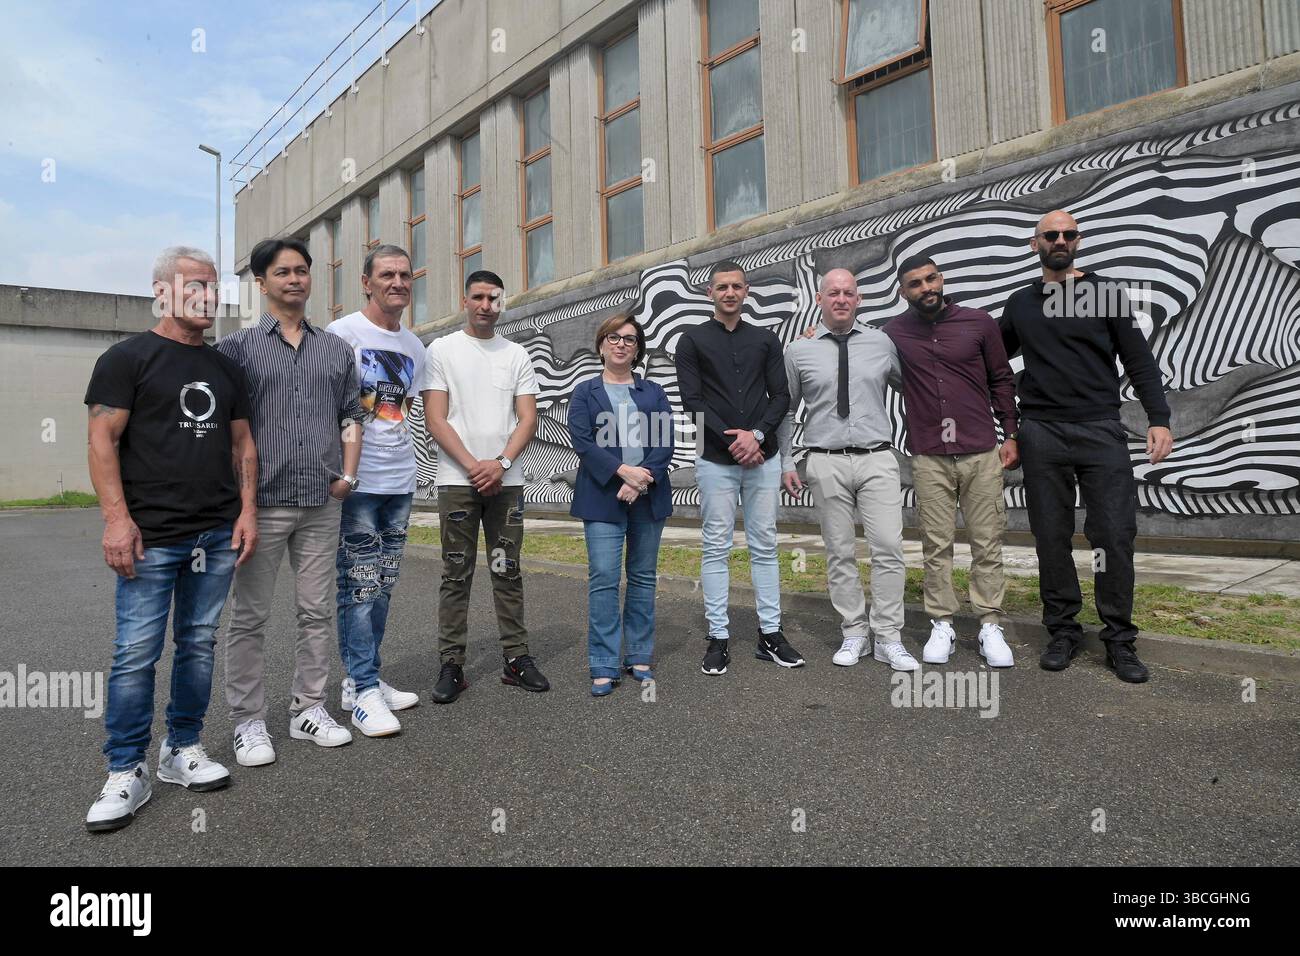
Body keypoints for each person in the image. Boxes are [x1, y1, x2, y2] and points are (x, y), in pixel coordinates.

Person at [84, 246, 259, 831]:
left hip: (214, 531)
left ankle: (182, 749)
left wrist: (248, 512)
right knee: (134, 654)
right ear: (162, 292)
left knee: (199, 644)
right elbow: (102, 441)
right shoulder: (125, 359)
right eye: (194, 287)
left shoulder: (226, 367)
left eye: (213, 287)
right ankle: (125, 769)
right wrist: (116, 520)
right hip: (149, 537)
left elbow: (242, 446)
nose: (208, 297)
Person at [999, 210, 1175, 683]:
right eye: (1050, 235)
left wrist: (1158, 418)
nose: (1060, 240)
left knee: (1114, 536)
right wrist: (1009, 429)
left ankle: (1118, 639)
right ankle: (1063, 630)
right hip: (1042, 434)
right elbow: (990, 360)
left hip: (1100, 429)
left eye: (1068, 234)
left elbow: (1139, 360)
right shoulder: (1020, 304)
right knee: (1050, 536)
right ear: (1034, 245)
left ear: (1078, 241)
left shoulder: (1105, 294)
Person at [217, 236, 369, 753]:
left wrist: (348, 476)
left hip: (322, 504)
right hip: (260, 507)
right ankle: (247, 720)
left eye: (302, 270)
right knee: (250, 617)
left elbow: (352, 415)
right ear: (262, 283)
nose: (296, 279)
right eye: (283, 272)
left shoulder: (335, 349)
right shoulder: (235, 350)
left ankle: (309, 707)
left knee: (316, 612)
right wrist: (239, 503)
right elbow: (226, 431)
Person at [780, 268, 918, 671]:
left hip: (877, 457)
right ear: (819, 300)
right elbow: (785, 410)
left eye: (848, 293)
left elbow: (914, 389)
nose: (841, 299)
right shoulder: (797, 351)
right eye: (832, 293)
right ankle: (854, 632)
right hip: (825, 461)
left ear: (858, 299)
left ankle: (888, 637)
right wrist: (788, 461)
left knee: (889, 549)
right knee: (839, 552)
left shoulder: (881, 343)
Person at [419, 269, 547, 703]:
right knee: (456, 573)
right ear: (465, 300)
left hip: (506, 484)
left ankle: (516, 658)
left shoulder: (517, 355)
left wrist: (502, 463)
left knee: (505, 570)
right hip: (458, 482)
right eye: (478, 297)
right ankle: (452, 664)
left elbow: (528, 417)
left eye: (494, 298)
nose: (486, 305)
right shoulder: (441, 350)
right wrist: (477, 466)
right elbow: (435, 417)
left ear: (502, 302)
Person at [884, 255, 1018, 668]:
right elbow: (859, 357)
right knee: (935, 545)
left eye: (931, 279)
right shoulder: (893, 335)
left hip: (981, 451)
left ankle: (989, 624)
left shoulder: (979, 323)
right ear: (903, 292)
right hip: (929, 456)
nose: (926, 288)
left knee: (987, 542)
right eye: (915, 284)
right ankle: (942, 622)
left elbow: (1001, 378)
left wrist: (1011, 434)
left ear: (941, 279)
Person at [677, 259, 803, 676]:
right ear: (709, 293)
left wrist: (758, 436)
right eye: (721, 287)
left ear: (747, 291)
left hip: (763, 459)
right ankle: (718, 636)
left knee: (764, 545)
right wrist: (736, 439)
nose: (729, 293)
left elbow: (780, 396)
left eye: (736, 286)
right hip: (715, 460)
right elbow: (692, 401)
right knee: (716, 546)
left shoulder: (766, 340)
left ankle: (771, 634)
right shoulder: (691, 341)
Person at [325, 244, 426, 724]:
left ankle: (361, 678)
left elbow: (401, 412)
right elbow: (322, 409)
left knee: (383, 583)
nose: (397, 282)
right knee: (360, 584)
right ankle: (363, 688)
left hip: (399, 480)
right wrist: (339, 474)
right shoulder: (341, 335)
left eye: (405, 275)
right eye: (387, 274)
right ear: (366, 282)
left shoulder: (414, 346)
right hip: (358, 484)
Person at [567, 315, 674, 696]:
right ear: (601, 345)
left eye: (630, 339)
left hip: (647, 497)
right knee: (604, 579)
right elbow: (583, 442)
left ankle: (639, 654)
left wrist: (641, 479)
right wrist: (623, 474)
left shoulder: (653, 392)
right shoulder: (584, 392)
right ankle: (604, 662)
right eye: (614, 337)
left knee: (643, 578)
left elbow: (665, 443)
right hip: (601, 498)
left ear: (637, 348)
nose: (621, 344)